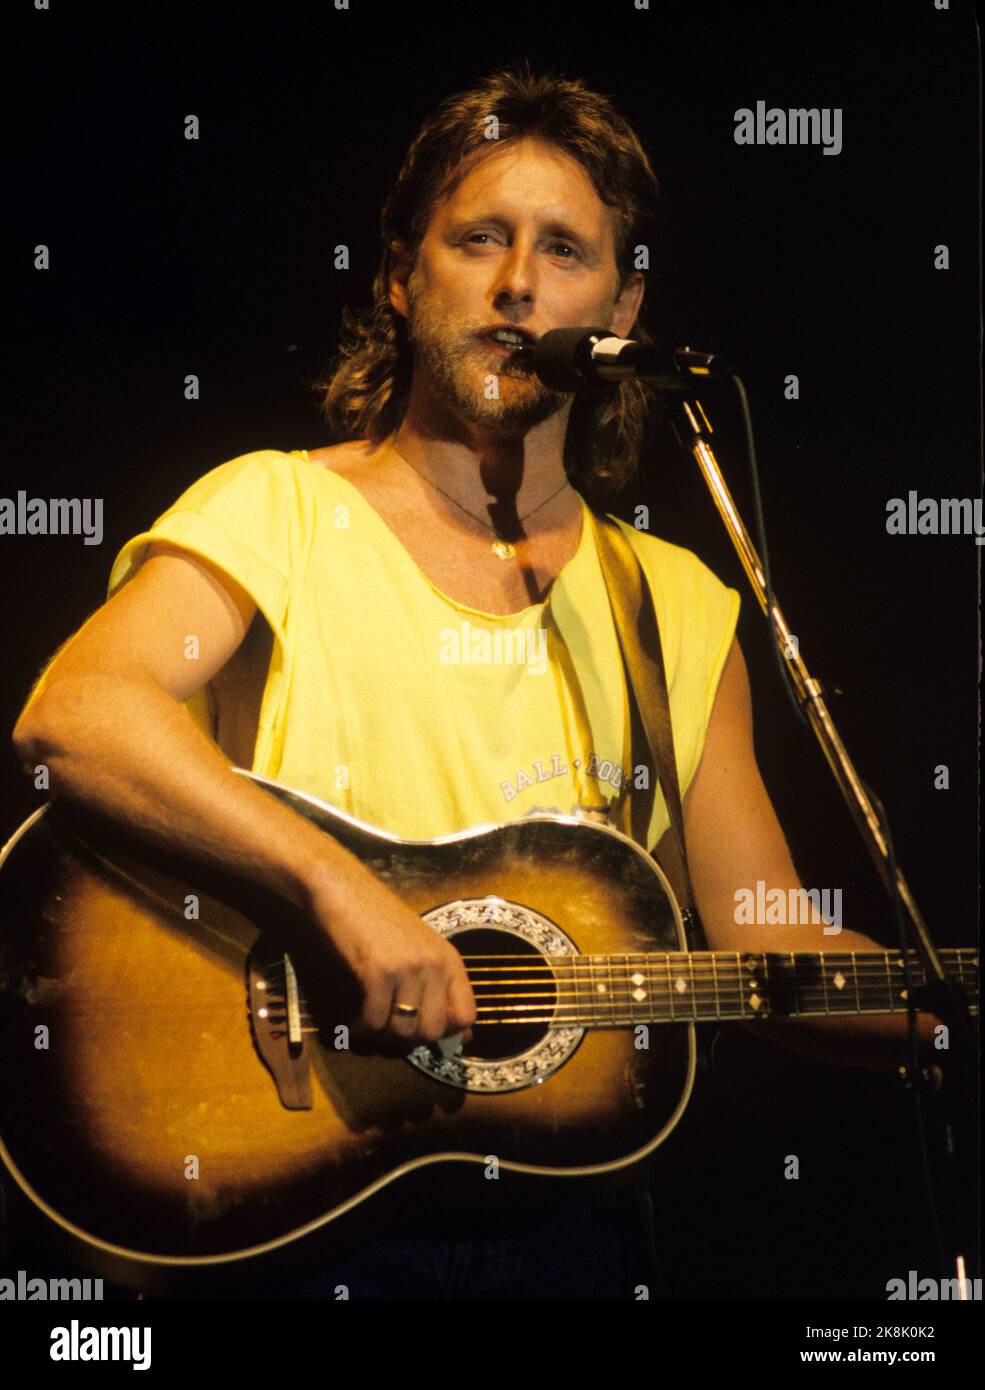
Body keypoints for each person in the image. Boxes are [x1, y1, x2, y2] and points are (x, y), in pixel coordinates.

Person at [11, 62, 940, 1300]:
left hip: (570, 1235)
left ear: (623, 302)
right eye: (479, 240)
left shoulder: (672, 600)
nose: (518, 285)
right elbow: (77, 716)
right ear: (401, 277)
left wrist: (942, 1017)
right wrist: (332, 893)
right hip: (292, 1197)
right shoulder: (279, 509)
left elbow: (763, 944)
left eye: (564, 250)